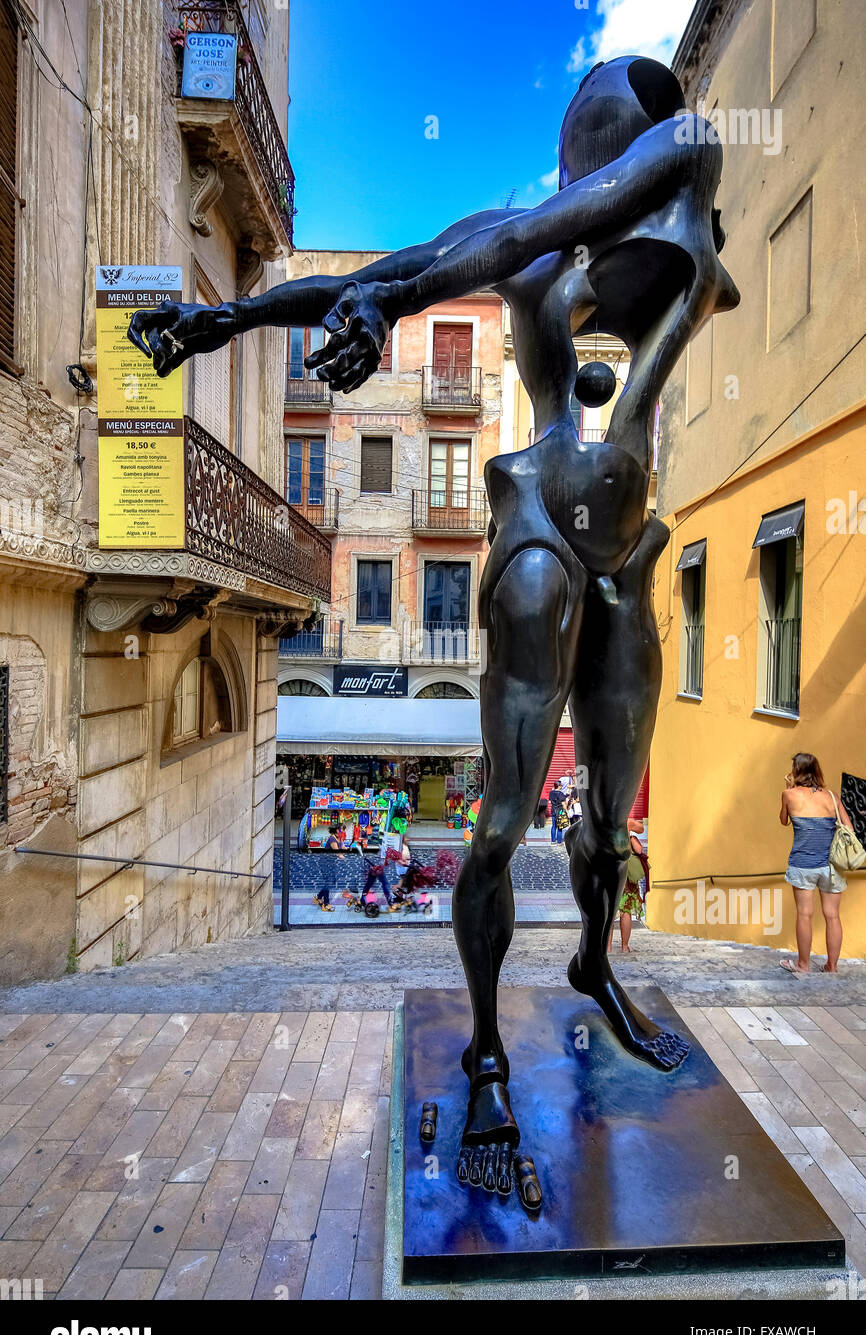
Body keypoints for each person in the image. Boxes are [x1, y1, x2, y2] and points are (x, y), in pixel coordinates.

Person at [128, 55, 737, 1209]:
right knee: (504, 819)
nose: (643, 114)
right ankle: (487, 1053)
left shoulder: (684, 164)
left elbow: (515, 243)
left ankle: (597, 968)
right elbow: (405, 272)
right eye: (618, 106)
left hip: (631, 545)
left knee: (609, 817)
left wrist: (391, 296)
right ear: (581, 130)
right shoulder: (525, 235)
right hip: (536, 535)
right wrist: (228, 316)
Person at [779, 753, 854, 974]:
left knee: (804, 913)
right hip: (830, 866)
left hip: (803, 864)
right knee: (832, 915)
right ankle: (832, 966)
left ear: (796, 771)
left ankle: (803, 965)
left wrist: (788, 789)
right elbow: (848, 828)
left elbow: (783, 820)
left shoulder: (788, 794)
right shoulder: (831, 796)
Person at [610, 817, 648, 953]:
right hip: (626, 872)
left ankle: (607, 947)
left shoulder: (606, 820)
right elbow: (641, 829)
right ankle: (624, 947)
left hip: (609, 869)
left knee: (609, 912)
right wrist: (629, 825)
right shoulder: (627, 821)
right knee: (625, 912)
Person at [312, 832, 341, 912]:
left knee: (332, 881)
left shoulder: (338, 839)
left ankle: (318, 897)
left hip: (330, 864)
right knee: (328, 883)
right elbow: (337, 852)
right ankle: (326, 905)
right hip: (325, 864)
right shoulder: (332, 839)